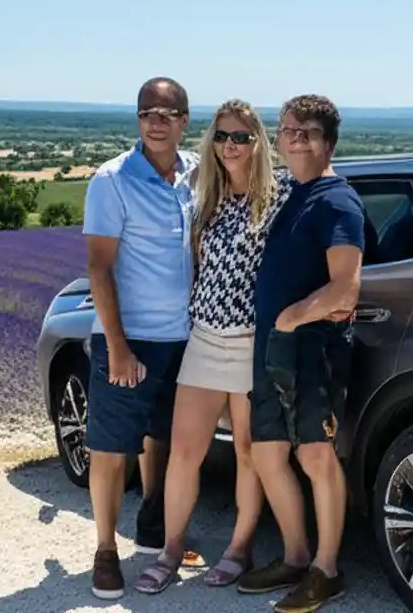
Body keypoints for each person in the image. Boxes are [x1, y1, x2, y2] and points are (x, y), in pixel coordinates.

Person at [133, 99, 294, 594]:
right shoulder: (207, 193)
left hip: (250, 343)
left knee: (247, 453)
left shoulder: (281, 192)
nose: (230, 145)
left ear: (258, 142)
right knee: (184, 451)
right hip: (204, 338)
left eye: (241, 137)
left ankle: (238, 549)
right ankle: (171, 547)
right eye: (222, 136)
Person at [237, 94, 364, 612]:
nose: (294, 138)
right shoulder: (295, 193)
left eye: (307, 131)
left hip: (313, 347)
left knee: (315, 455)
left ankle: (326, 570)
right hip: (275, 347)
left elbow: (345, 290)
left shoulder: (338, 201)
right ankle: (294, 555)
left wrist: (291, 318)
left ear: (328, 141)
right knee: (266, 453)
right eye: (288, 129)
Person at [82, 76, 198, 601]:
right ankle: (106, 552)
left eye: (167, 113)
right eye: (147, 112)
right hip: (129, 340)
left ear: (184, 121)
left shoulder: (198, 173)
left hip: (186, 340)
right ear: (137, 120)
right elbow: (100, 269)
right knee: (111, 449)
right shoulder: (112, 180)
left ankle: (156, 533)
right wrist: (119, 347)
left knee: (166, 442)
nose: (156, 121)